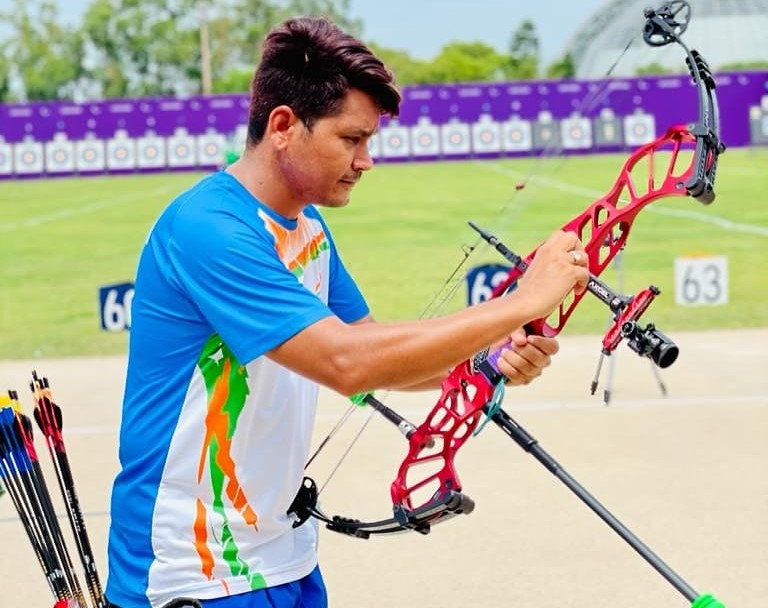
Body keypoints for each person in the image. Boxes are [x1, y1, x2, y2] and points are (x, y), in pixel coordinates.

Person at [104, 15, 590, 608]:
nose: (366, 160)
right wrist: (523, 301)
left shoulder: (307, 226)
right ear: (283, 126)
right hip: (193, 574)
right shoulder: (209, 229)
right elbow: (346, 364)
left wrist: (490, 359)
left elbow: (376, 352)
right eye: (351, 139)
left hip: (285, 557)